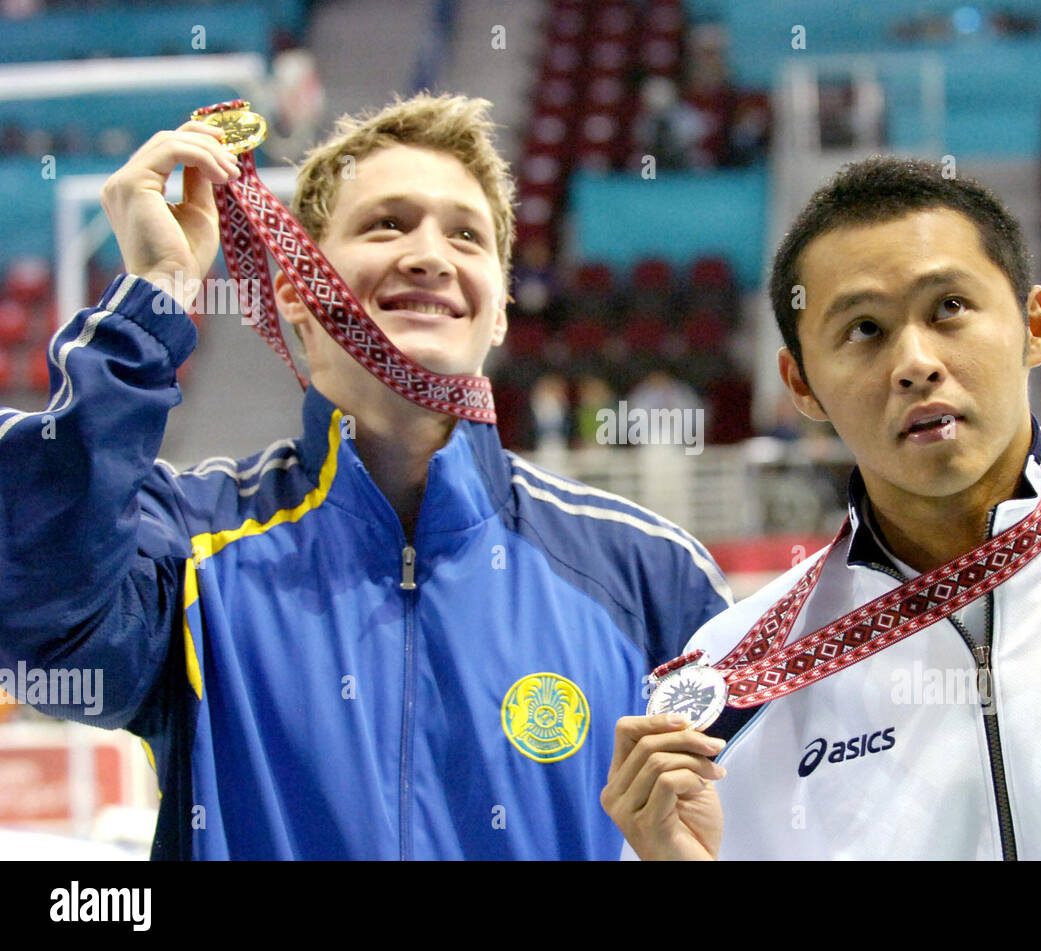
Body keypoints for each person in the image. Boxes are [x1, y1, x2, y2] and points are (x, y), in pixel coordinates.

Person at [0, 92, 731, 859]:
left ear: (502, 309)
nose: (429, 255)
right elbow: (36, 625)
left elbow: (764, 824)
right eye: (387, 223)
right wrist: (154, 294)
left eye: (466, 235)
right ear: (294, 290)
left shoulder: (648, 574)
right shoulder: (188, 545)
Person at [602, 156, 1041, 860]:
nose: (915, 361)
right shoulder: (728, 682)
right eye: (864, 329)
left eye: (950, 308)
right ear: (800, 383)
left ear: (1035, 323)